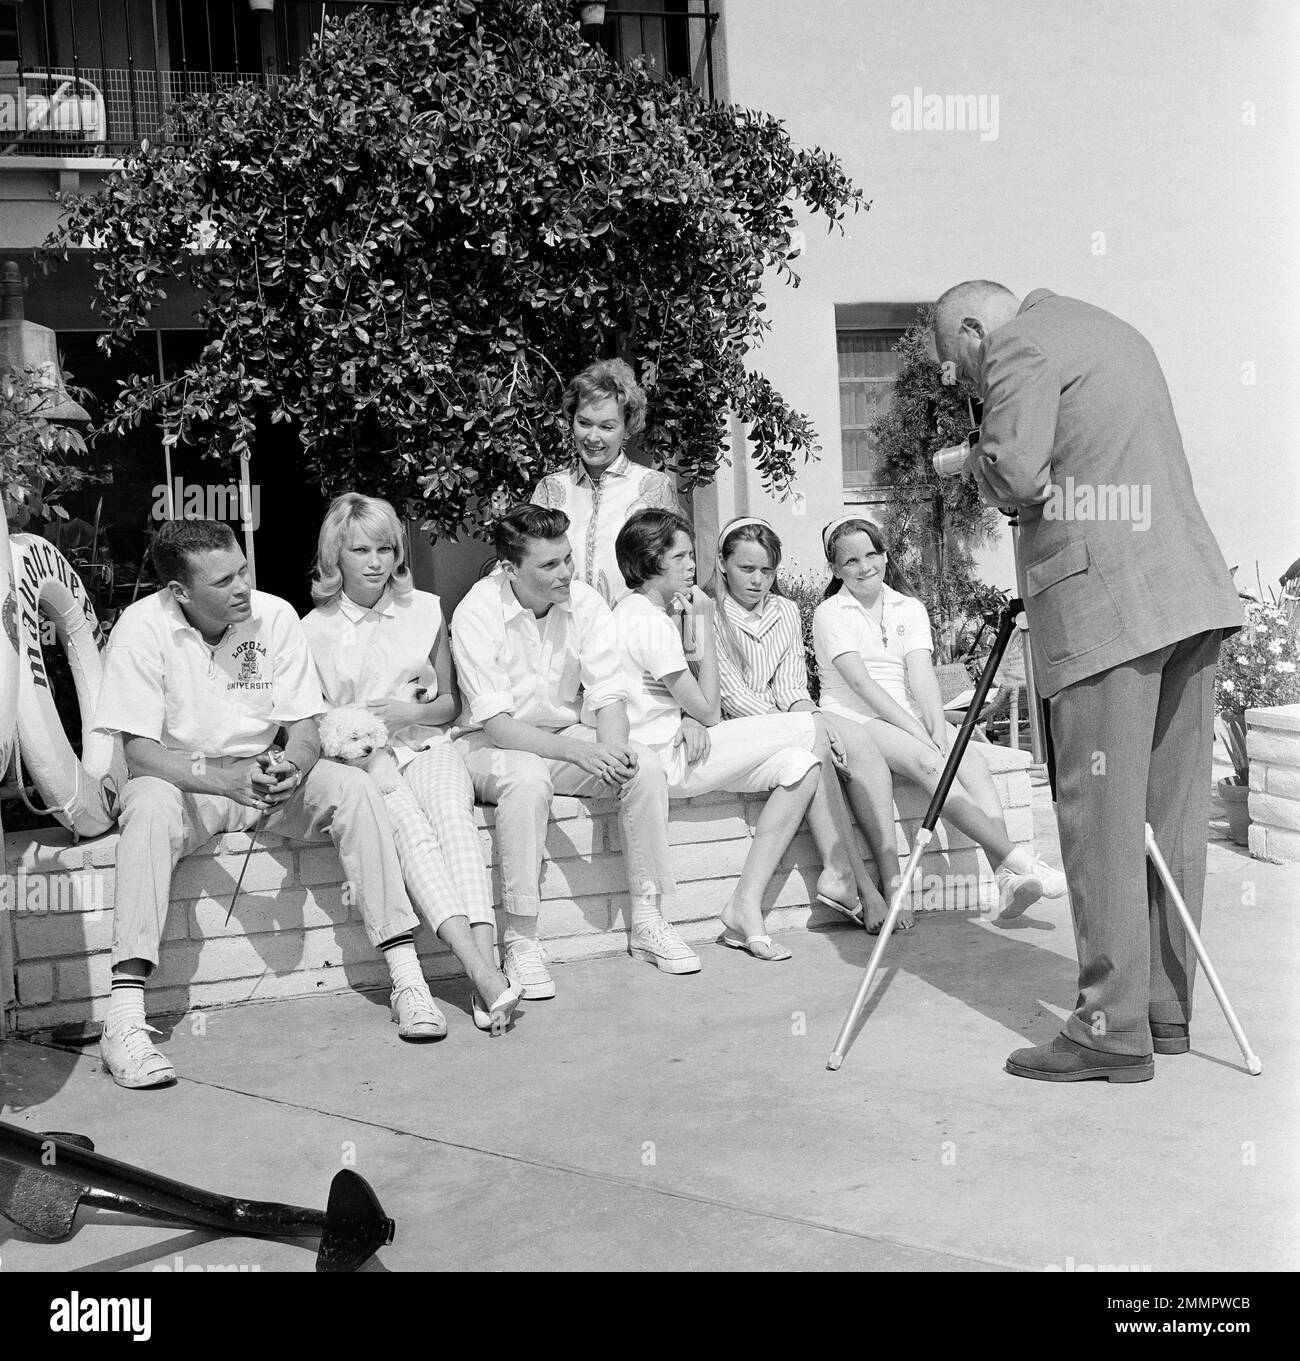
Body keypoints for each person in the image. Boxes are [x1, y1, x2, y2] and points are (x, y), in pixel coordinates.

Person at [932, 281, 1243, 1083]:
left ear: (973, 330)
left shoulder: (1017, 342)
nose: (962, 378)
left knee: (1101, 816)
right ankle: (1163, 1009)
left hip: (1104, 605)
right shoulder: (1111, 328)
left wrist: (971, 457)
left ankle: (1108, 1026)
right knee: (1171, 819)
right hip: (1187, 596)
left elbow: (1019, 472)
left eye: (954, 362)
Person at [91, 519, 438, 1090]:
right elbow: (142, 755)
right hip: (186, 783)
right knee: (148, 807)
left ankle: (407, 978)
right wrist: (220, 779)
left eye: (243, 570)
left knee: (354, 788)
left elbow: (304, 724)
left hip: (262, 774)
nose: (241, 588)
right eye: (224, 580)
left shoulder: (274, 615)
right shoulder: (141, 626)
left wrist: (294, 766)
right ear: (179, 592)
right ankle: (124, 1018)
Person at [301, 493, 520, 1036]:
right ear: (336, 556)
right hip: (367, 763)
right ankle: (483, 973)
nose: (375, 562)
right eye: (360, 550)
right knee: (413, 835)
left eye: (384, 548)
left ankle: (484, 970)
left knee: (454, 820)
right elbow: (317, 725)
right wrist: (362, 735)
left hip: (426, 741)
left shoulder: (424, 607)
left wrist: (406, 712)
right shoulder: (312, 629)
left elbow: (449, 705)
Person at [451, 504, 688, 994]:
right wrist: (583, 756)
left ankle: (648, 920)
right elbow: (497, 725)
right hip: (487, 744)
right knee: (527, 778)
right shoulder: (476, 611)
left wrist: (614, 751)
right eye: (549, 565)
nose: (565, 573)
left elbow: (608, 695)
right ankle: (521, 941)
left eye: (567, 559)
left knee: (641, 763)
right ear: (510, 569)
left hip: (560, 738)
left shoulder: (584, 601)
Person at [814, 515, 1065, 933]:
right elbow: (860, 683)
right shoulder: (830, 612)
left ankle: (1005, 877)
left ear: (886, 554)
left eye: (872, 554)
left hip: (904, 712)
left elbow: (921, 673)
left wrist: (933, 724)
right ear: (836, 569)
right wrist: (918, 735)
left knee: (971, 762)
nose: (864, 567)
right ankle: (1019, 859)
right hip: (855, 714)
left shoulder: (907, 606)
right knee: (932, 765)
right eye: (851, 561)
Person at [612, 508, 822, 961]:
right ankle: (845, 874)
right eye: (683, 556)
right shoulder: (646, 618)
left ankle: (744, 906)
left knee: (800, 766)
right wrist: (704, 623)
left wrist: (688, 716)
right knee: (809, 726)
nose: (693, 566)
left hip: (681, 747)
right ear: (652, 560)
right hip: (667, 762)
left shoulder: (643, 612)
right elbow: (708, 710)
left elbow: (680, 702)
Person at [709, 516, 903, 932]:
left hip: (784, 724)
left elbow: (793, 686)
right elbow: (731, 697)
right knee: (814, 742)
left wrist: (814, 717)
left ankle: (884, 880)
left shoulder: (786, 610)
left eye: (767, 570)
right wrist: (803, 727)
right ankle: (858, 885)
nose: (758, 580)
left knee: (852, 739)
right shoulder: (708, 611)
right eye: (747, 569)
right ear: (723, 564)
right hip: (733, 731)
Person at [531, 357, 682, 605]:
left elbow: (674, 571)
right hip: (563, 632)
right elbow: (528, 562)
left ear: (627, 426)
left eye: (606, 426)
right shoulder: (551, 489)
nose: (592, 437)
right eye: (584, 423)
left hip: (630, 633)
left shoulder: (653, 486)